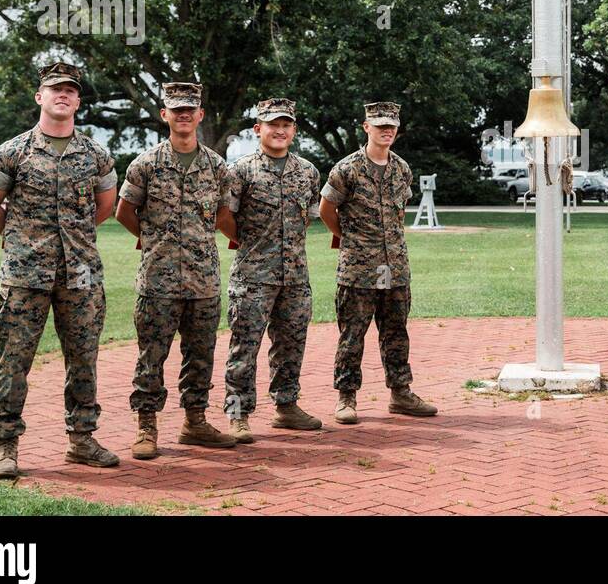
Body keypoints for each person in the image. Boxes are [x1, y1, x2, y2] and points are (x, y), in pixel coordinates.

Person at [0, 61, 120, 477]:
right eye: (55, 88)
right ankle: (5, 446)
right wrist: (18, 237)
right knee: (14, 359)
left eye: (71, 90)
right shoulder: (13, 150)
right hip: (24, 276)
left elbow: (105, 206)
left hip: (81, 274)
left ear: (78, 101)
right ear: (40, 97)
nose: (63, 95)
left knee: (83, 358)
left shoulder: (95, 154)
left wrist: (74, 238)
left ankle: (82, 438)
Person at [115, 82, 237, 459]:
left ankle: (195, 421)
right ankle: (146, 426)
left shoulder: (217, 166)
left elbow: (222, 215)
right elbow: (124, 211)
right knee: (152, 355)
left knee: (200, 354)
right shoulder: (146, 164)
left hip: (203, 280)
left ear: (200, 115)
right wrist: (154, 238)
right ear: (165, 115)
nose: (184, 116)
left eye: (190, 110)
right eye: (176, 110)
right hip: (158, 280)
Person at [319, 102, 436, 424]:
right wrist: (352, 238)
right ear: (366, 127)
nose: (387, 130)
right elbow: (327, 210)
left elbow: (399, 214)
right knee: (352, 334)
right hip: (358, 267)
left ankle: (401, 393)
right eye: (380, 125)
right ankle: (346, 397)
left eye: (392, 126)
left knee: (396, 332)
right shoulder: (347, 169)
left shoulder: (402, 169)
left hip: (395, 266)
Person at [219, 98, 325, 442]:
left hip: (294, 277)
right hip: (252, 276)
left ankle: (286, 406)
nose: (280, 131)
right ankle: (238, 414)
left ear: (293, 130)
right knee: (244, 346)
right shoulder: (241, 171)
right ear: (258, 129)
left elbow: (308, 218)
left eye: (286, 125)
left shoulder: (307, 172)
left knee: (291, 343)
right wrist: (253, 244)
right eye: (272, 125)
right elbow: (225, 217)